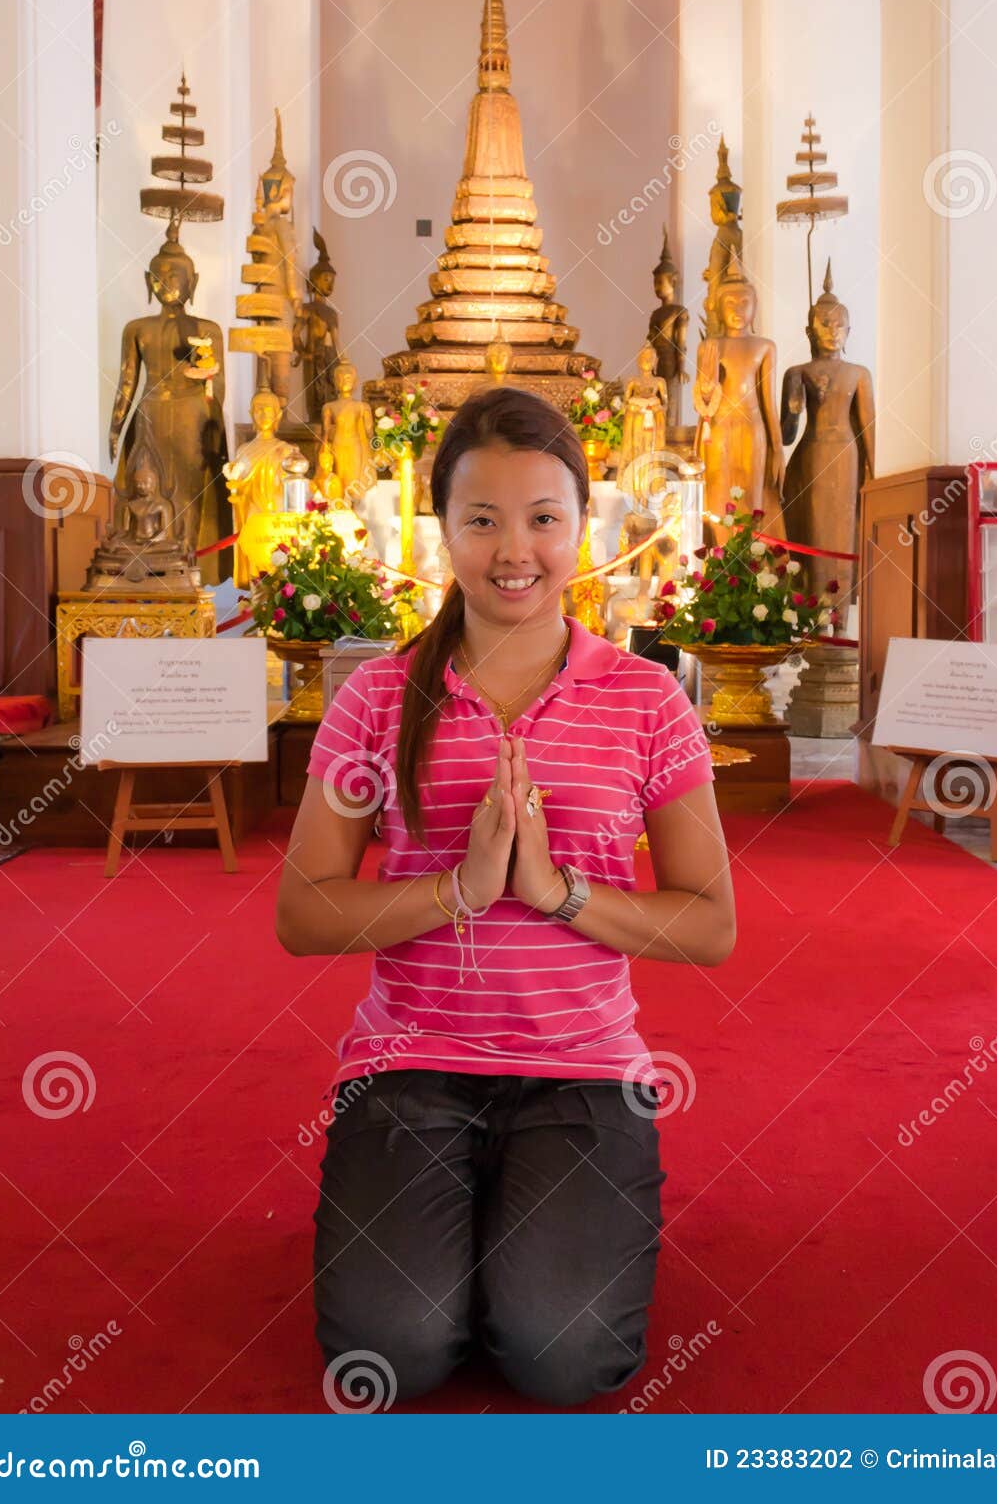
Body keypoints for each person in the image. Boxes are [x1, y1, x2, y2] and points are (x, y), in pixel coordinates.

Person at [275, 386, 736, 1409]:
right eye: (480, 519)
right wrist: (458, 889)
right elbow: (303, 912)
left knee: (560, 1357)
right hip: (413, 1064)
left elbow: (709, 923)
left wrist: (557, 892)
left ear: (584, 525)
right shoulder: (379, 697)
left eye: (543, 517)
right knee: (389, 1356)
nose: (512, 548)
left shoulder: (644, 700)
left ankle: (525, 1218)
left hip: (578, 1071)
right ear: (441, 527)